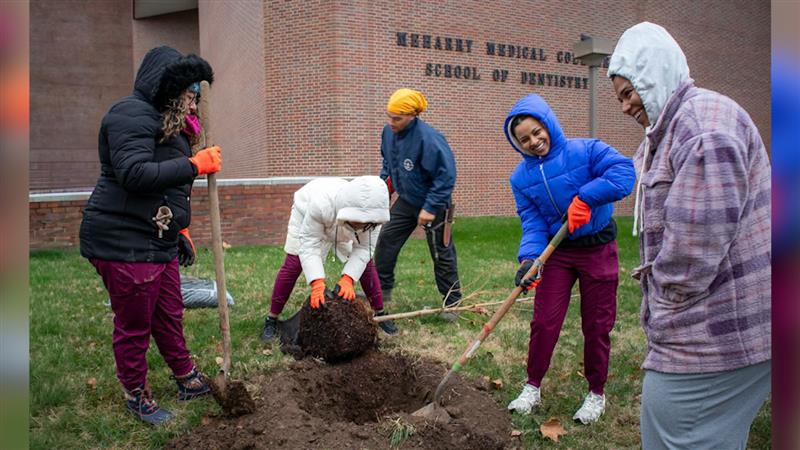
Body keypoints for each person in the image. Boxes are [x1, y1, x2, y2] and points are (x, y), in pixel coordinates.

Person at [607, 22, 771, 448]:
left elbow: (691, 257)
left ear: (653, 75)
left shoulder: (703, 130)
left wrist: (660, 307)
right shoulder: (678, 126)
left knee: (682, 433)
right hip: (712, 324)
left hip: (717, 333)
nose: (625, 107)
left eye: (629, 93)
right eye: (619, 97)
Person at [79, 46, 221, 425]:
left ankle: (185, 377)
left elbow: (163, 186)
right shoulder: (130, 113)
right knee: (135, 324)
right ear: (169, 88)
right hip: (122, 242)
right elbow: (134, 173)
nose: (193, 107)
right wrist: (194, 164)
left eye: (196, 98)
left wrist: (179, 230)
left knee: (169, 313)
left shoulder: (163, 118)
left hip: (155, 238)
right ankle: (135, 393)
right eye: (189, 96)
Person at [503, 93, 635, 424]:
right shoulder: (521, 178)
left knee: (596, 323)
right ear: (517, 144)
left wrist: (586, 198)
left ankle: (596, 393)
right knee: (544, 321)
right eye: (524, 139)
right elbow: (532, 222)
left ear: (548, 124)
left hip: (597, 247)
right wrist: (529, 259)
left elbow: (624, 173)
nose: (534, 142)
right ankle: (532, 386)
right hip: (558, 253)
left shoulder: (586, 150)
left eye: (537, 132)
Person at [260, 175, 397, 341]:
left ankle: (380, 314)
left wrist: (348, 278)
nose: (362, 227)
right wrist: (317, 283)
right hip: (307, 214)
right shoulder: (320, 204)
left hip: (342, 221)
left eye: (366, 223)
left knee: (366, 266)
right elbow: (308, 245)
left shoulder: (373, 217)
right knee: (293, 263)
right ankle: (271, 319)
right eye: (358, 222)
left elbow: (363, 250)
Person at [373, 88, 462, 320]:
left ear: (413, 115)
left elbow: (446, 177)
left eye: (397, 118)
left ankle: (452, 304)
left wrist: (430, 208)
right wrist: (384, 187)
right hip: (408, 200)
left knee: (441, 253)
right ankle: (381, 293)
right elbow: (388, 161)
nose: (391, 122)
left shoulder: (429, 139)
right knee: (386, 240)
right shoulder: (388, 132)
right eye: (389, 116)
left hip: (435, 202)